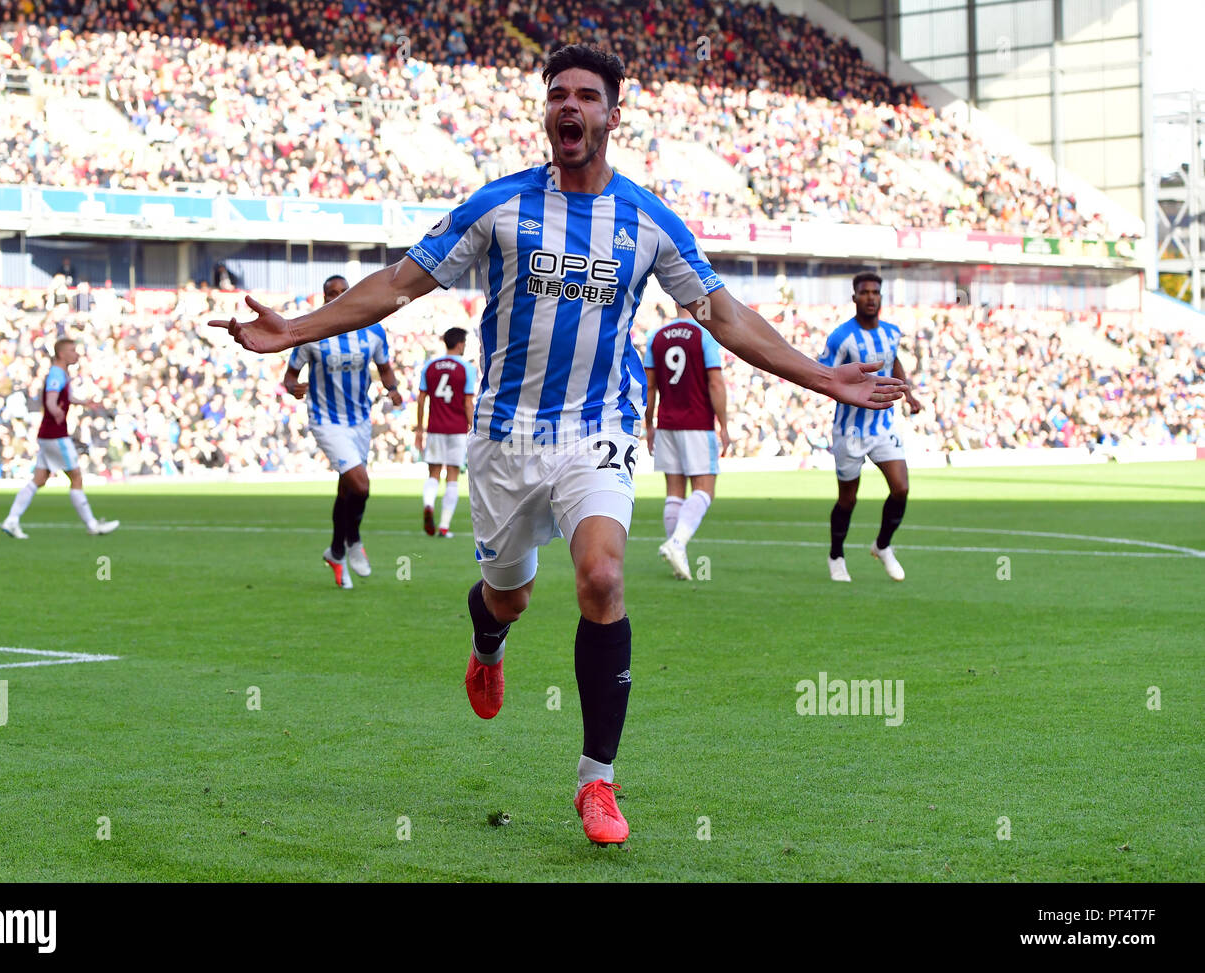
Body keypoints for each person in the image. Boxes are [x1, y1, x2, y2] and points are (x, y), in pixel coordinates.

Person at [211, 44, 905, 847]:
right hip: (504, 441)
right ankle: (488, 639)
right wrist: (292, 328)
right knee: (508, 595)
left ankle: (597, 782)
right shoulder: (499, 206)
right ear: (547, 113)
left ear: (613, 113)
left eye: (585, 96)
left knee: (604, 577)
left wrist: (826, 377)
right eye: (556, 96)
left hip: (596, 432)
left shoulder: (647, 220)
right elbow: (400, 282)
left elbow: (726, 315)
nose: (568, 107)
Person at [281, 275, 403, 588]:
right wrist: (294, 388)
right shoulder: (312, 333)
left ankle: (335, 552)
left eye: (342, 292)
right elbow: (289, 377)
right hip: (326, 419)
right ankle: (353, 541)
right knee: (360, 486)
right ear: (323, 297)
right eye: (331, 293)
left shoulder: (373, 330)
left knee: (347, 489)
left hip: (360, 420)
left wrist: (393, 389)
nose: (337, 297)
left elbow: (385, 366)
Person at [818, 272, 923, 582]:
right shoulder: (841, 337)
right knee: (848, 499)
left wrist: (908, 393)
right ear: (854, 298)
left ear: (881, 296)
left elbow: (893, 362)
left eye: (875, 292)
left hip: (883, 425)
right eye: (864, 292)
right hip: (850, 430)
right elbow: (824, 372)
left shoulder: (891, 333)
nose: (870, 297)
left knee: (901, 488)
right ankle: (836, 555)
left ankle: (882, 545)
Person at [643, 303, 731, 581]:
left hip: (667, 423)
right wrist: (724, 424)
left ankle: (677, 558)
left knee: (674, 491)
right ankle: (677, 543)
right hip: (697, 422)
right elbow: (715, 383)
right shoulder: (705, 335)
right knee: (705, 489)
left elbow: (650, 386)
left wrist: (649, 424)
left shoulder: (655, 337)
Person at [1, 338, 119, 539]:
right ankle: (92, 524)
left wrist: (83, 402)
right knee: (76, 477)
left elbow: (63, 397)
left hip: (48, 434)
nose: (76, 354)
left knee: (39, 479)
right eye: (72, 350)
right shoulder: (56, 373)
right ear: (62, 354)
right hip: (56, 435)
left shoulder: (61, 373)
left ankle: (11, 520)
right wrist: (55, 411)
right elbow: (51, 399)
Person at [415, 327, 476, 539]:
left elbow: (421, 399)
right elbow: (468, 402)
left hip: (435, 428)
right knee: (452, 476)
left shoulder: (429, 367)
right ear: (459, 344)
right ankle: (443, 526)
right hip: (457, 429)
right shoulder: (466, 368)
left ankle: (429, 504)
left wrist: (420, 429)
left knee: (433, 473)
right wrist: (472, 425)